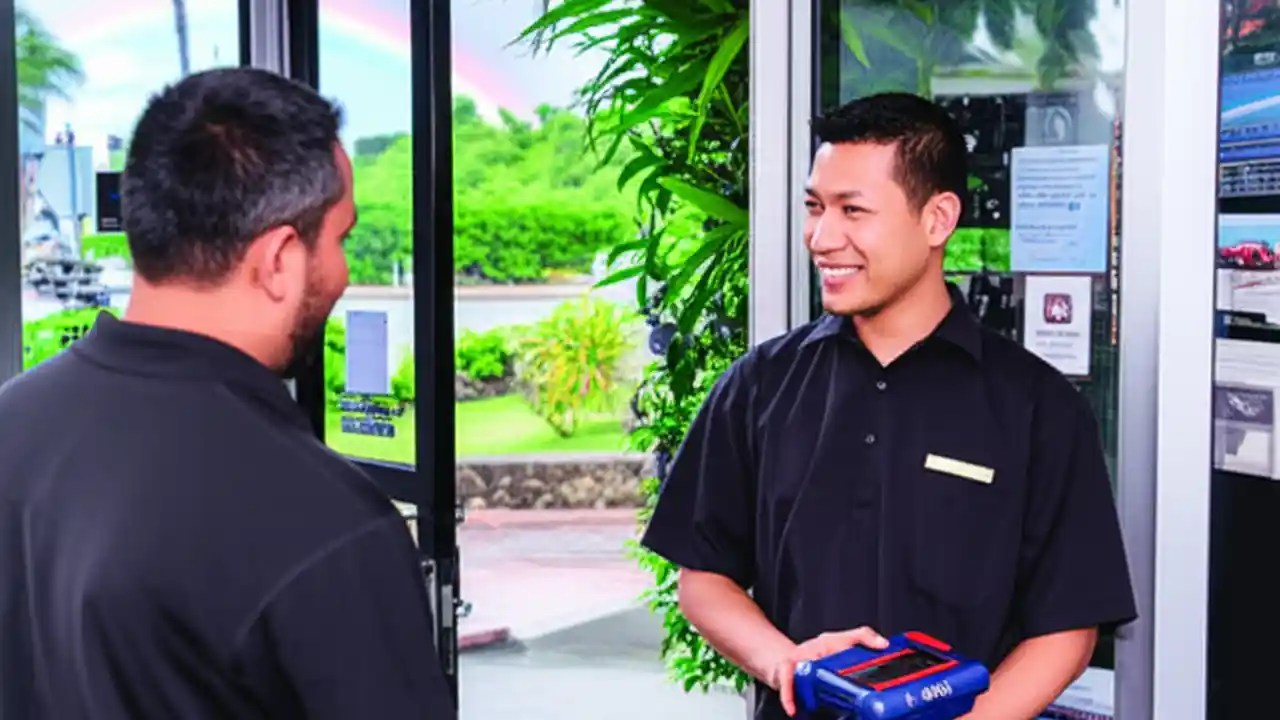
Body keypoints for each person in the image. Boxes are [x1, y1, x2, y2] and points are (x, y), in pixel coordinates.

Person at [640, 92, 1136, 720]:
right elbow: (704, 579)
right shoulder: (759, 386)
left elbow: (1067, 627)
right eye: (815, 207)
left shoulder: (1038, 407)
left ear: (937, 219)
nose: (823, 237)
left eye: (853, 210)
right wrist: (788, 663)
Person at [0, 68, 455, 719]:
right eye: (341, 239)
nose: (344, 270)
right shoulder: (324, 523)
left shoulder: (14, 422)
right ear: (278, 259)